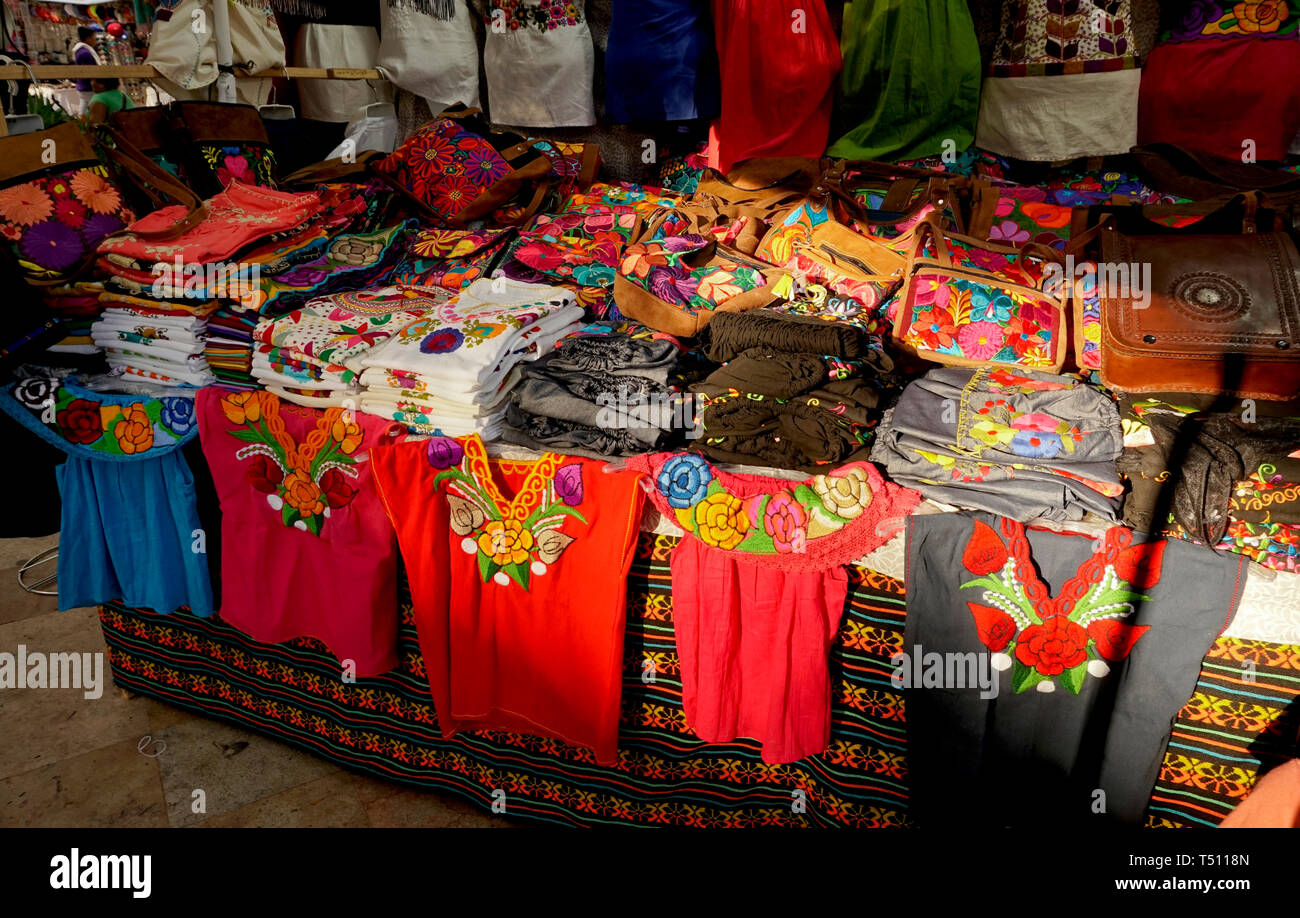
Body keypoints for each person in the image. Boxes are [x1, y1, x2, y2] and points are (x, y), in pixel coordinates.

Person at [71, 26, 102, 115]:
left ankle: (83, 123)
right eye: (94, 37)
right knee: (89, 109)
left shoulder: (81, 51)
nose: (95, 40)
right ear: (88, 38)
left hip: (84, 85)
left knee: (85, 107)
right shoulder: (85, 53)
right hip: (88, 86)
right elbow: (89, 72)